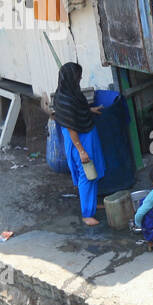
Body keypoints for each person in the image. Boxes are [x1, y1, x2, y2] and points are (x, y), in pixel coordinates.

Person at [52, 62, 105, 226]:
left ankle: (92, 203)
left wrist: (90, 110)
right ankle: (87, 214)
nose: (80, 78)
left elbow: (79, 109)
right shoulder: (64, 99)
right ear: (71, 78)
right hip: (78, 140)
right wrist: (81, 150)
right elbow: (70, 127)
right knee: (86, 173)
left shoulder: (72, 93)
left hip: (88, 135)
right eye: (78, 76)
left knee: (92, 171)